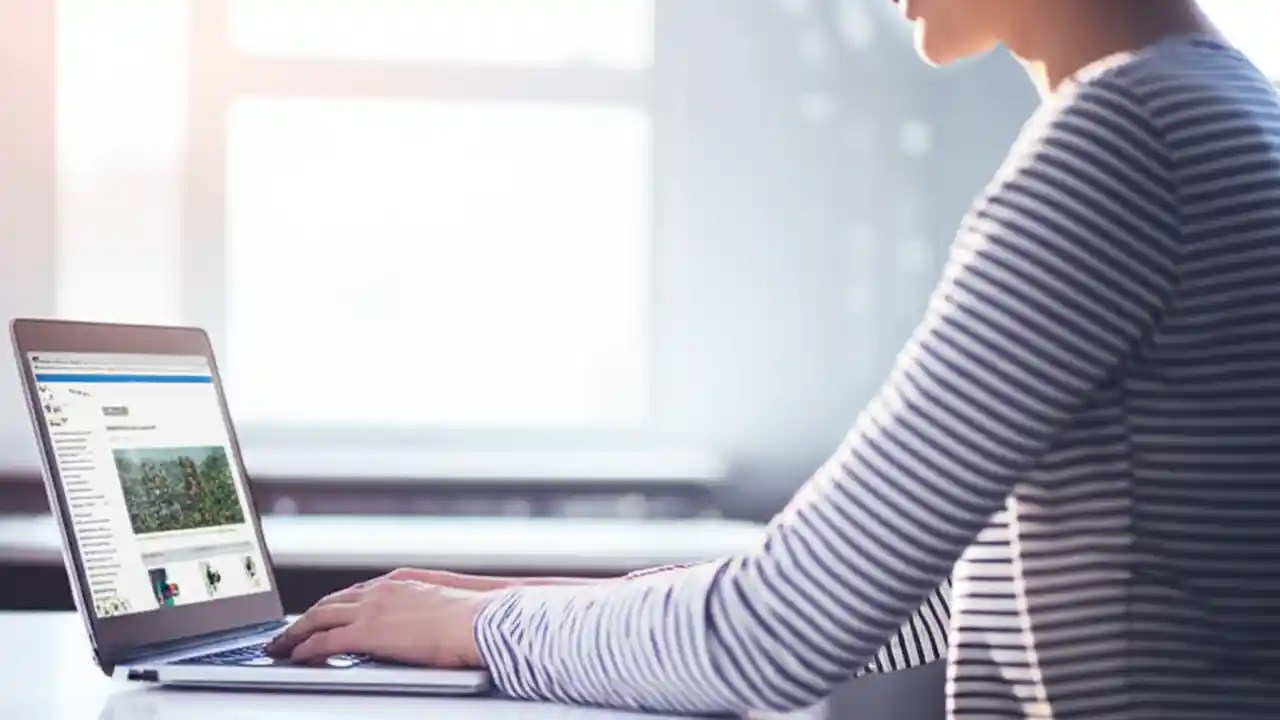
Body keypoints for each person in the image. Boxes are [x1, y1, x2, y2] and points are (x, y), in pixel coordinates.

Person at [267, 0, 1280, 716]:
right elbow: (931, 593)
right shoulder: (1228, 115)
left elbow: (776, 635)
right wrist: (520, 605)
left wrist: (479, 633)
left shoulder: (1121, 140)